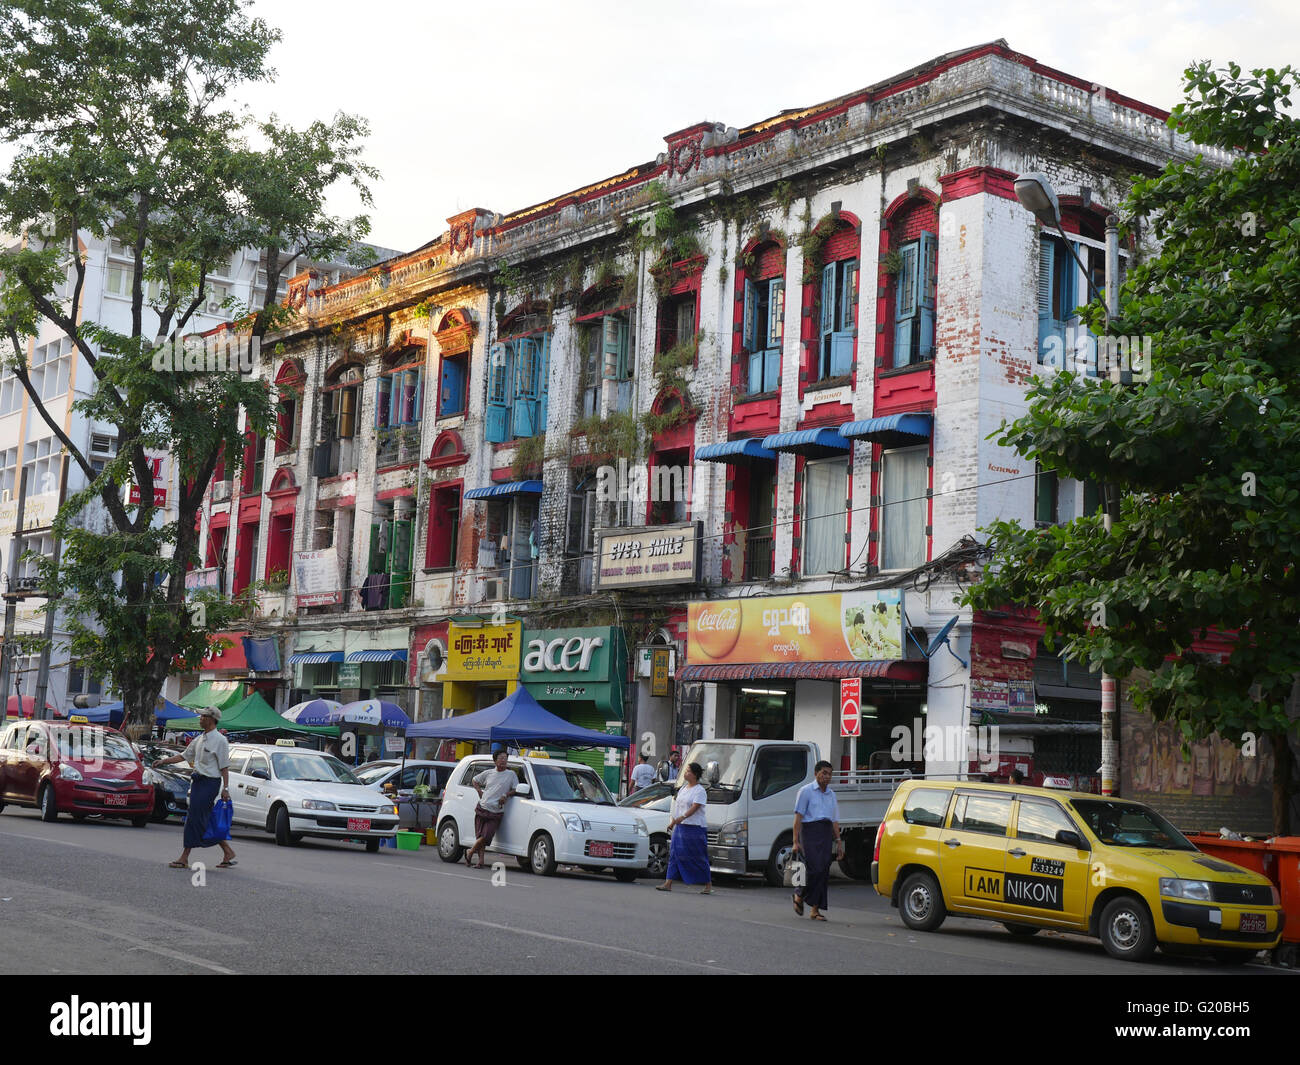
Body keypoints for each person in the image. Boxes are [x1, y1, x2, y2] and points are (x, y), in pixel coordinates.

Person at [156, 707, 236, 869]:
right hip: (198, 783)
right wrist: (163, 761)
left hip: (210, 783)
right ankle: (228, 851)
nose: (200, 719)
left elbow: (224, 767)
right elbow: (183, 756)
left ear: (212, 719)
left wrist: (226, 788)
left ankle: (185, 857)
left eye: (203, 716)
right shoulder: (199, 739)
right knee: (204, 819)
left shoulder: (220, 740)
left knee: (194, 818)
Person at [791, 760, 840, 921]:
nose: (827, 777)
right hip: (810, 832)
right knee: (813, 869)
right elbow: (798, 818)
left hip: (826, 833)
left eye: (829, 774)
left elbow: (834, 820)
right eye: (824, 773)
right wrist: (795, 841)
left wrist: (839, 842)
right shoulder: (805, 791)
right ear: (816, 773)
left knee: (824, 871)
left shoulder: (831, 794)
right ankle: (799, 894)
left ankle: (815, 910)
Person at [657, 761, 711, 894]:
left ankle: (708, 884)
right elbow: (677, 807)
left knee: (697, 856)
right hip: (680, 828)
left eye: (688, 771)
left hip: (694, 828)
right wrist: (673, 822)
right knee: (674, 854)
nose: (685, 773)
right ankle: (668, 883)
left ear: (695, 774)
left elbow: (695, 807)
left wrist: (683, 817)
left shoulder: (700, 791)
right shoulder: (683, 788)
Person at [465, 749, 518, 869]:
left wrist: (506, 795)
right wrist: (479, 791)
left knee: (486, 835)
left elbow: (515, 789)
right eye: (501, 758)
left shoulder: (511, 774)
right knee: (480, 836)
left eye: (505, 758)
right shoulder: (489, 773)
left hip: (496, 810)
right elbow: (475, 780)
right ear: (495, 760)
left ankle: (470, 852)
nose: (503, 760)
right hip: (483, 807)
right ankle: (480, 862)